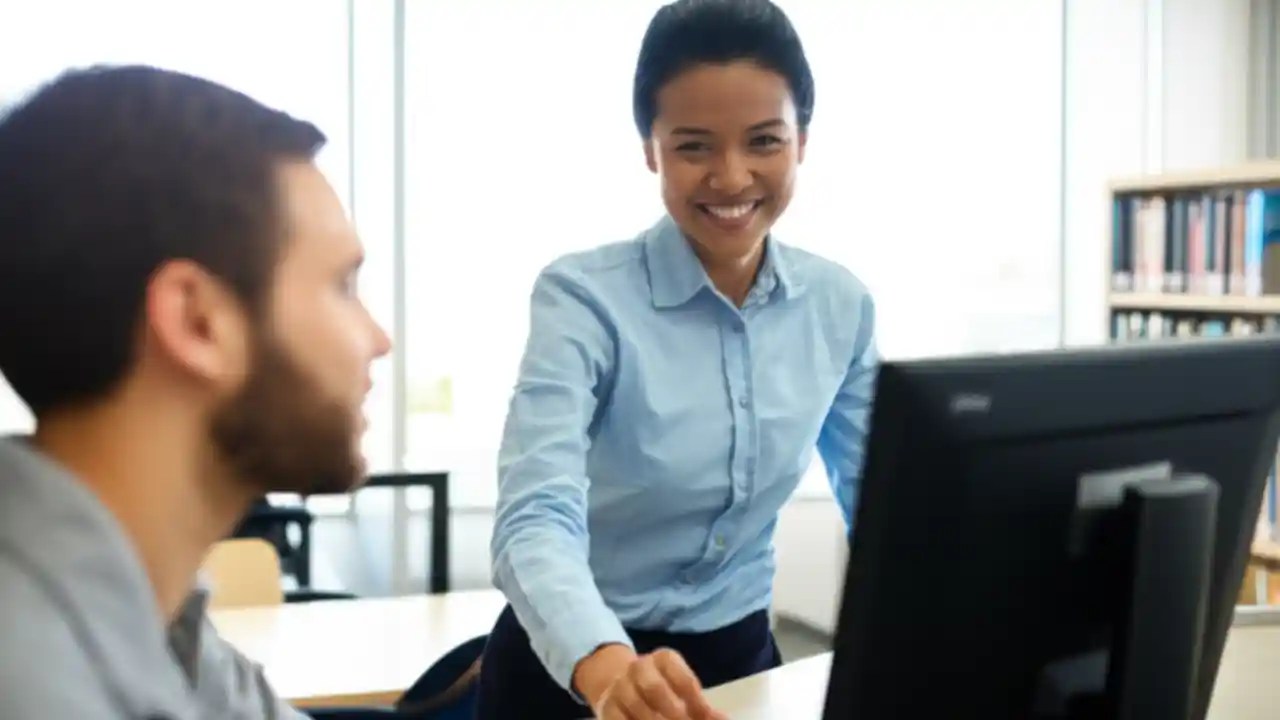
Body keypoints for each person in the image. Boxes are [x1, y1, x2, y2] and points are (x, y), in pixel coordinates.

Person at [476, 1, 879, 718]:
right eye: (694, 146)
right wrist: (609, 672)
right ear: (650, 148)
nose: (731, 178)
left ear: (802, 142)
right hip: (579, 671)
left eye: (763, 141)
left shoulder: (838, 306)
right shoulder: (583, 299)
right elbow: (533, 517)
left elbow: (882, 504)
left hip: (741, 668)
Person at [0, 65, 391, 718]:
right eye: (342, 287)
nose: (378, 339)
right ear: (197, 322)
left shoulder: (160, 620)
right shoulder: (34, 678)